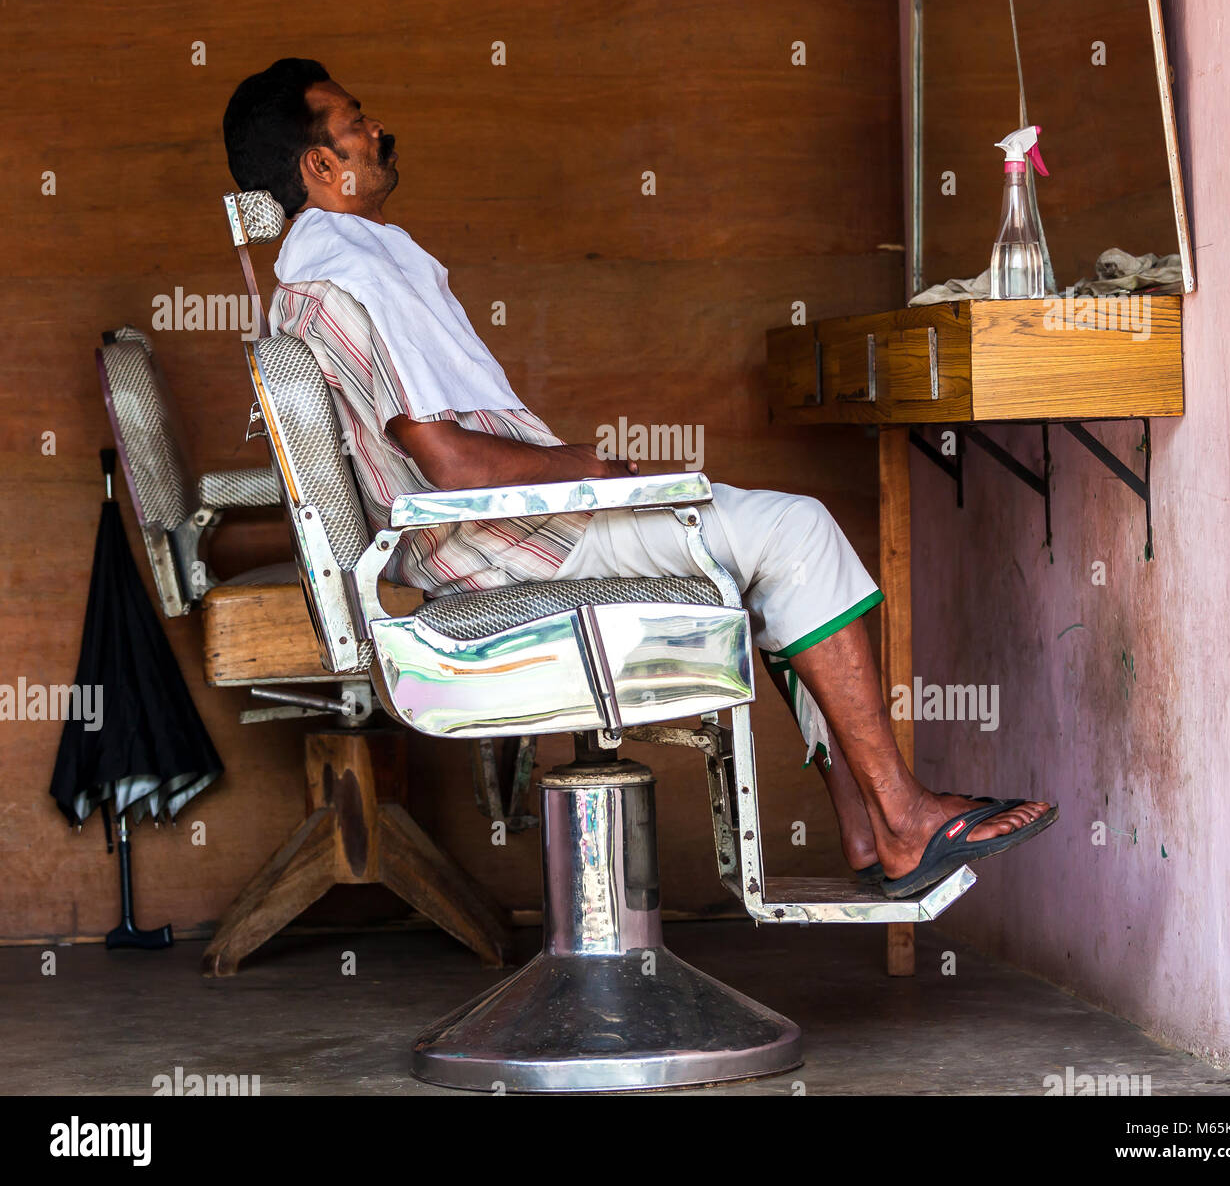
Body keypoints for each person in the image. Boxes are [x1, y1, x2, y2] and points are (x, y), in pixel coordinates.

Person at [222, 58, 1057, 897]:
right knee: (795, 531)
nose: (375, 132)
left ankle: (866, 822)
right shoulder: (361, 264)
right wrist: (579, 468)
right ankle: (904, 819)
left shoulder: (310, 276)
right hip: (507, 543)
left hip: (462, 546)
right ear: (321, 167)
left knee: (756, 552)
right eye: (355, 121)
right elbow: (446, 460)